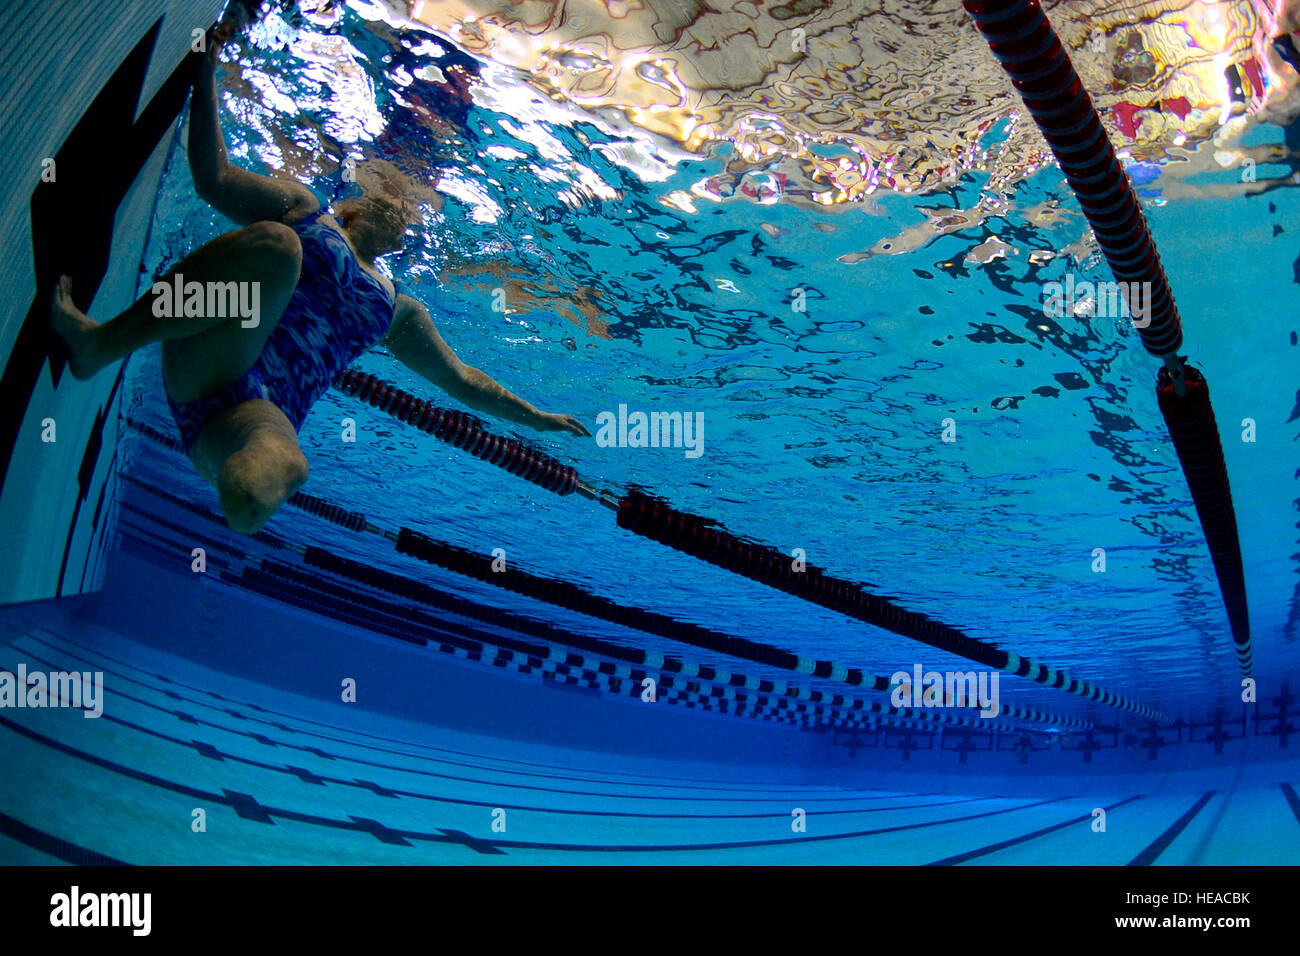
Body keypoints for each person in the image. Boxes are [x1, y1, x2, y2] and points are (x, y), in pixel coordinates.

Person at [50, 18, 589, 535]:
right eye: (397, 197)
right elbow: (213, 180)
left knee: (287, 462)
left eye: (412, 206)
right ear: (358, 194)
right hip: (215, 356)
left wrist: (536, 416)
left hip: (262, 414)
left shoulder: (397, 306)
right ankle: (100, 344)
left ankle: (249, 492)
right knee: (281, 246)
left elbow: (461, 380)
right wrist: (204, 77)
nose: (408, 208)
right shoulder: (306, 210)